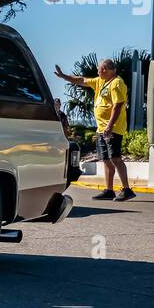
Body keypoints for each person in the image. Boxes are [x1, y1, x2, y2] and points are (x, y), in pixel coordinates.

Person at [54, 59, 135, 201]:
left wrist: (110, 125)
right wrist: (63, 76)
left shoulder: (117, 83)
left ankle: (127, 189)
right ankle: (109, 190)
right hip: (101, 128)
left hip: (113, 128)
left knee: (115, 158)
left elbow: (118, 106)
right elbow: (81, 80)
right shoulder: (100, 81)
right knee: (105, 159)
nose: (98, 72)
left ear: (107, 69)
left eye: (100, 69)